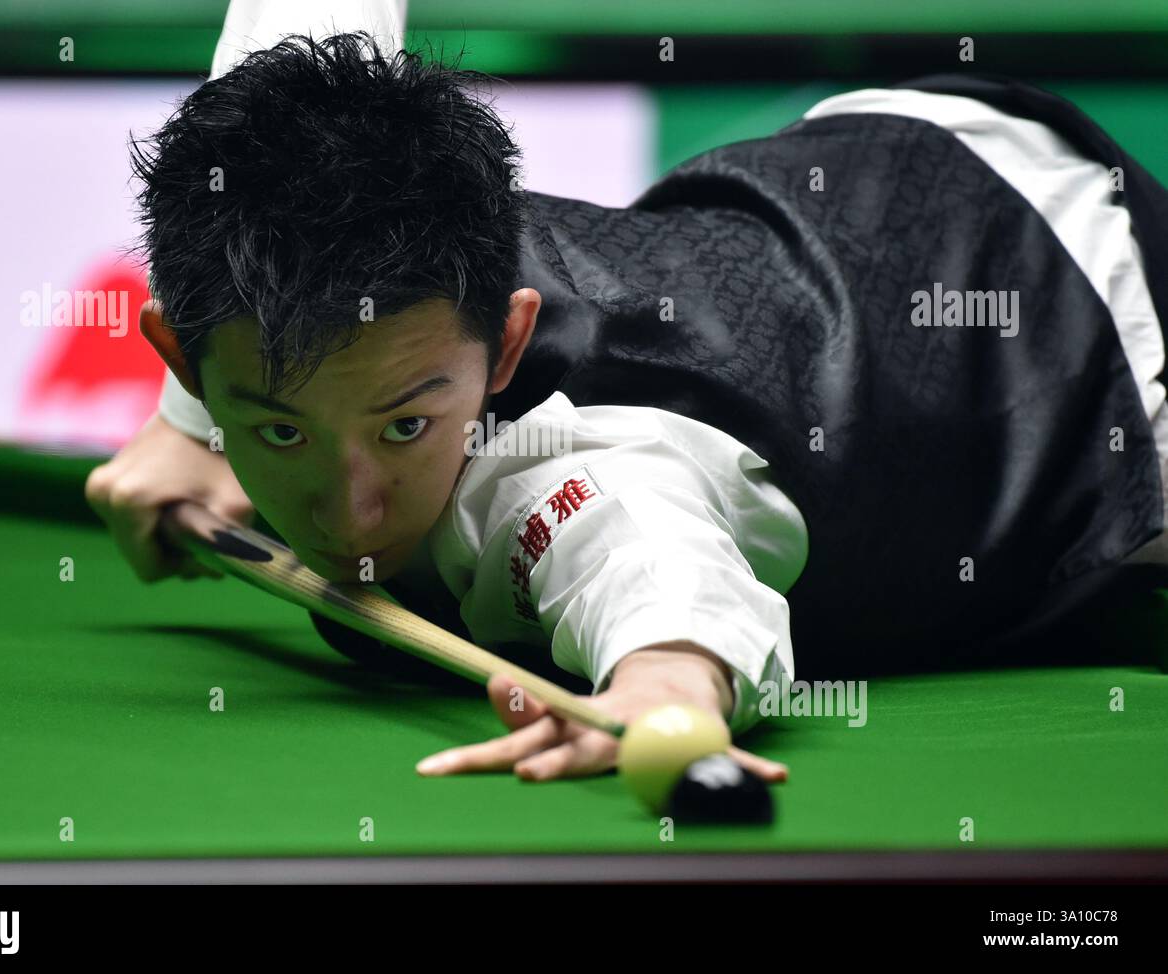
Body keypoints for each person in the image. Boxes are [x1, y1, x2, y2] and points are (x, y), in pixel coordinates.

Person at [87, 0, 1168, 784]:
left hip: (1084, 329)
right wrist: (192, 426)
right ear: (184, 357)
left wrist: (663, 681)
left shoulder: (549, 461)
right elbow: (293, 49)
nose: (353, 508)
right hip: (872, 159)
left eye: (407, 424)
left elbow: (632, 535)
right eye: (281, 430)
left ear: (506, 346)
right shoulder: (286, 215)